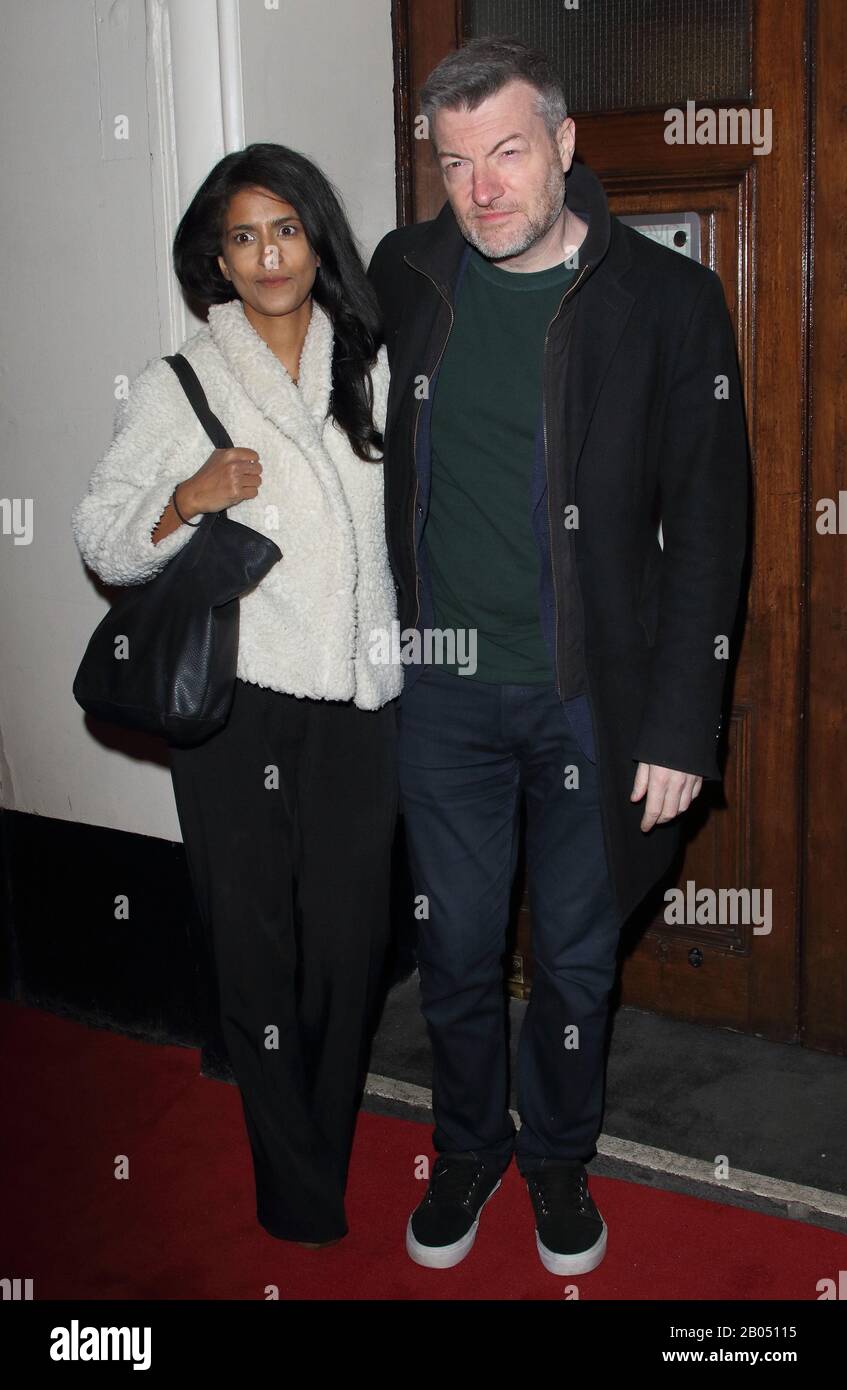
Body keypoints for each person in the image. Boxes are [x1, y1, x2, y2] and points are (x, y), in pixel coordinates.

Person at [367, 37, 749, 1275]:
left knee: (578, 964)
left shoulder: (666, 300)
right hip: (442, 692)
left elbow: (708, 524)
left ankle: (557, 1161)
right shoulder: (410, 273)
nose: (480, 189)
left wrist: (684, 725)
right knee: (458, 949)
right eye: (455, 161)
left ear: (566, 146)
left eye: (508, 153)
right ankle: (469, 1144)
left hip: (599, 700)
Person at [72, 142, 402, 1246]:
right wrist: (183, 498)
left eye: (287, 229)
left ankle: (316, 1131)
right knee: (255, 942)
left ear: (318, 241)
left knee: (349, 944)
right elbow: (101, 537)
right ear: (217, 258)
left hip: (360, 702)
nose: (269, 254)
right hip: (241, 704)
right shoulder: (182, 382)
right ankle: (296, 1186)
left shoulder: (371, 363)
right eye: (245, 235)